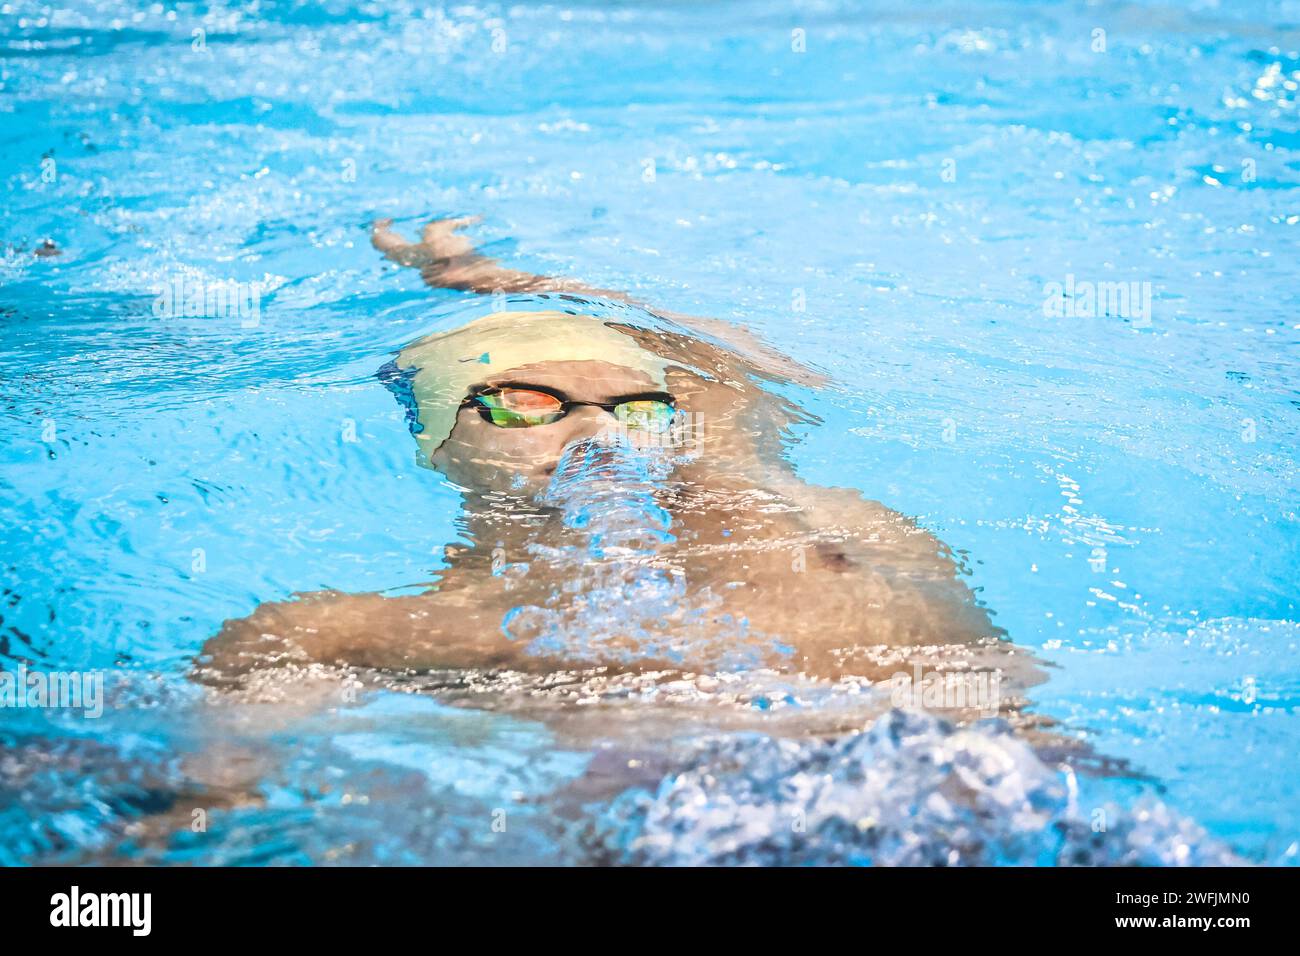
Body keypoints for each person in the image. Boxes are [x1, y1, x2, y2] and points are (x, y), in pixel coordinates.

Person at [197, 216, 1041, 716]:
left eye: (635, 409)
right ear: (439, 447)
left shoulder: (741, 481)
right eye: (526, 403)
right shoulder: (380, 631)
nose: (599, 435)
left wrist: (510, 281)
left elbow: (761, 366)